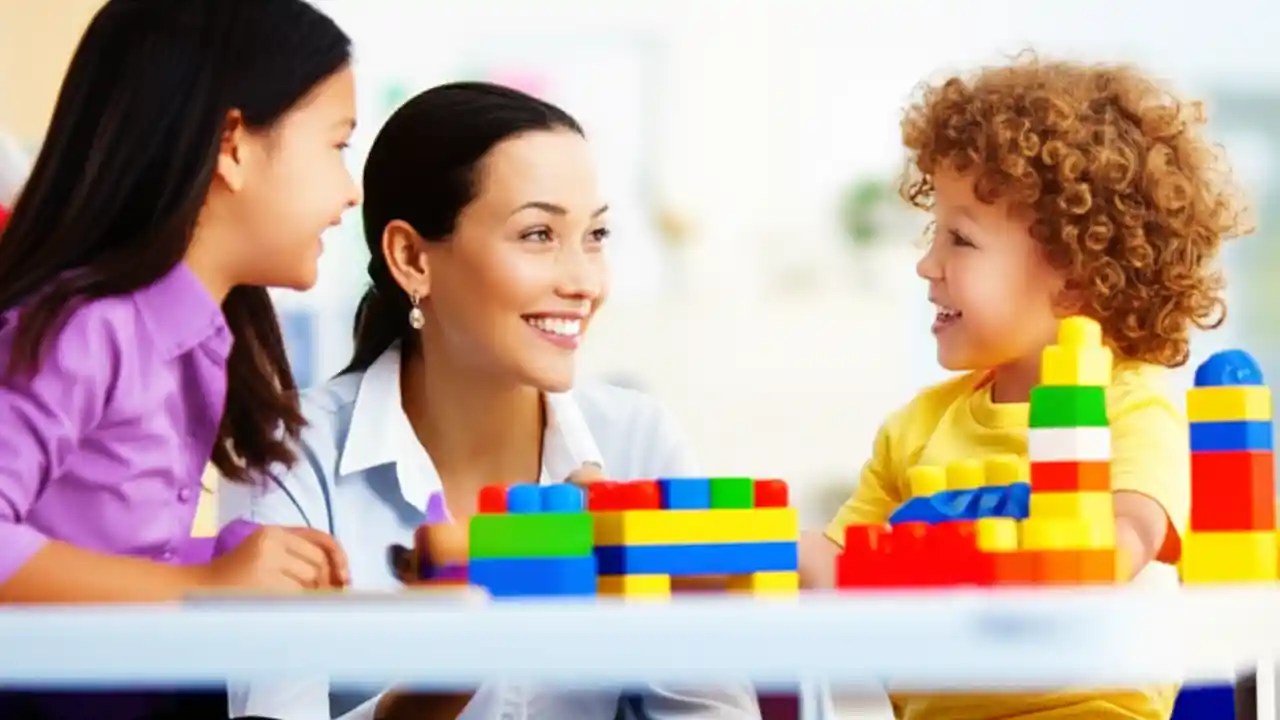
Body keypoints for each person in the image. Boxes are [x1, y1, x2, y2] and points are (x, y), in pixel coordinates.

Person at [218, 81, 762, 720]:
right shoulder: (289, 454)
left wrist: (638, 595)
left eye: (595, 234)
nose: (584, 281)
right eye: (538, 234)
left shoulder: (638, 441)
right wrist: (438, 682)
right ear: (412, 258)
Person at [799, 53, 1250, 719]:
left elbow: (1128, 535)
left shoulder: (1131, 406)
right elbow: (836, 569)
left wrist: (1007, 561)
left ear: (1075, 274)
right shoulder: (916, 430)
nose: (927, 264)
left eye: (959, 240)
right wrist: (746, 549)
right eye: (934, 234)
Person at [0, 0, 358, 716]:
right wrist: (204, 585)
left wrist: (223, 561)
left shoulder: (197, 340)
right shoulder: (83, 329)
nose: (351, 192)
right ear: (233, 145)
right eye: (337, 145)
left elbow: (87, 556)